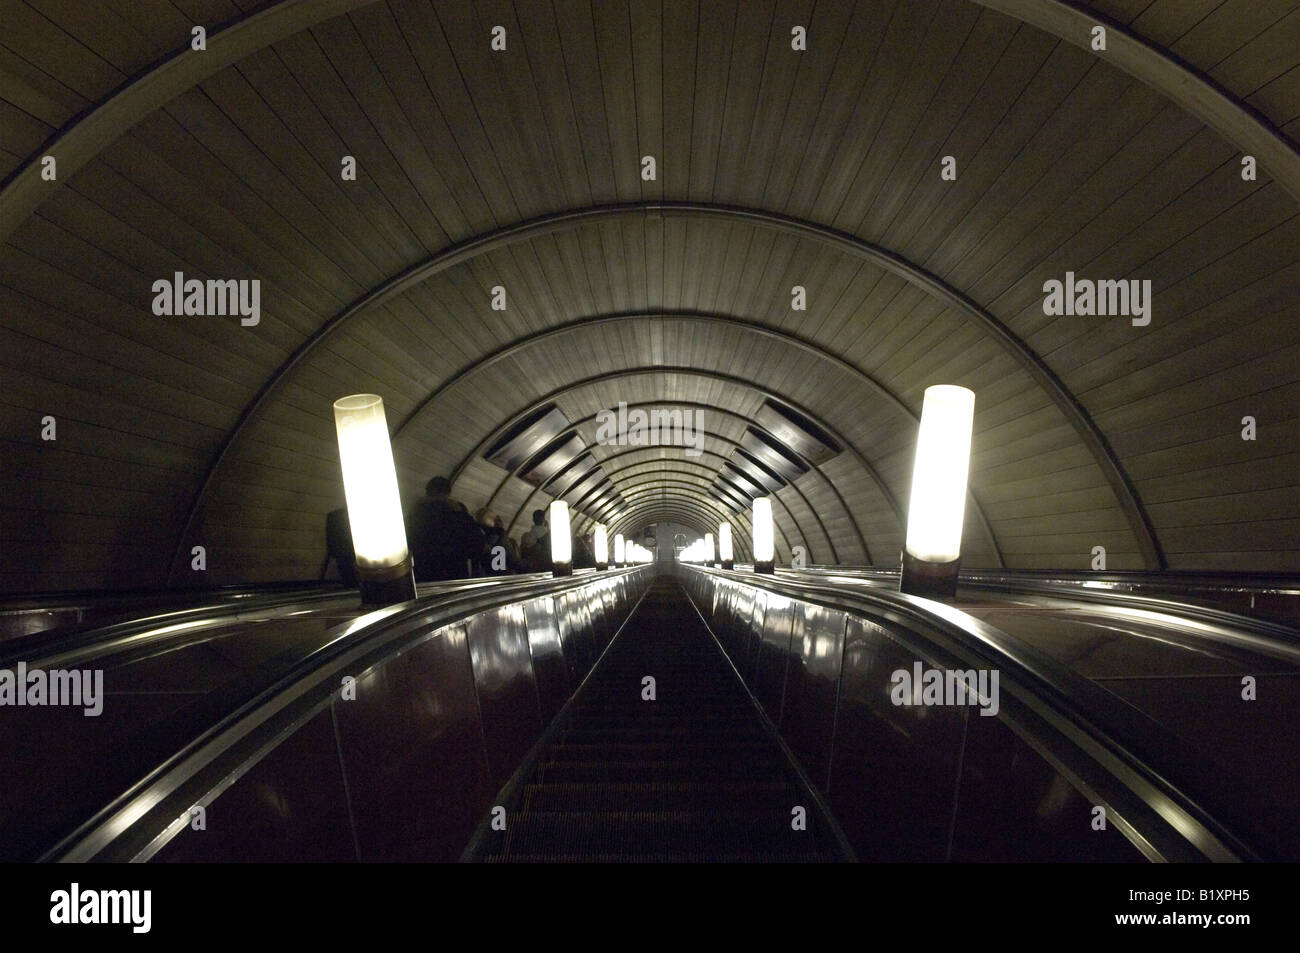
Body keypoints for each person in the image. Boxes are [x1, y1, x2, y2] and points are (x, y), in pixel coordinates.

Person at [405, 476, 484, 582]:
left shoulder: (411, 519)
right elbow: (477, 546)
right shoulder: (459, 517)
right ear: (448, 493)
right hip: (453, 578)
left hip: (421, 579)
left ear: (427, 492)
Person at [323, 507, 358, 587]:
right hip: (349, 545)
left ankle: (349, 583)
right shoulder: (351, 514)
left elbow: (330, 535)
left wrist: (331, 548)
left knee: (344, 565)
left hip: (340, 546)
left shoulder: (333, 515)